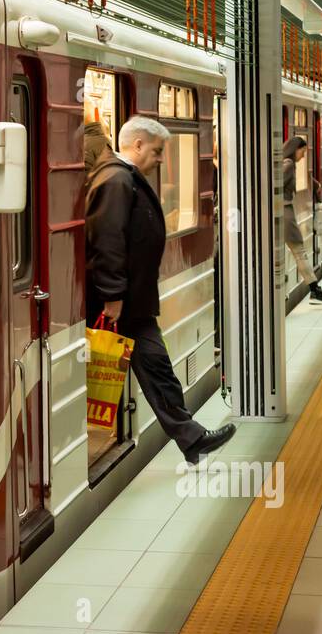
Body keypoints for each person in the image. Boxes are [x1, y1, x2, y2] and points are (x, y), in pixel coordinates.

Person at [87, 115, 236, 465]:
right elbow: (107, 241)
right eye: (156, 152)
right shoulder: (115, 180)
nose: (159, 160)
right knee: (156, 367)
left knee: (158, 368)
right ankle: (191, 437)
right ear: (136, 145)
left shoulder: (122, 177)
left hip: (133, 302)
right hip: (123, 304)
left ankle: (191, 438)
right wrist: (113, 295)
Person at [282, 136, 322, 302]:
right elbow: (277, 183)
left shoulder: (285, 163)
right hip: (284, 211)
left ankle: (313, 288)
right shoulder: (288, 164)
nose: (303, 156)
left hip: (283, 210)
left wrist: (315, 183)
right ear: (295, 149)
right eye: (302, 152)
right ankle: (314, 289)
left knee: (295, 252)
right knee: (299, 251)